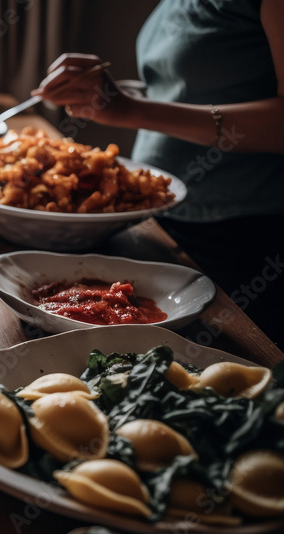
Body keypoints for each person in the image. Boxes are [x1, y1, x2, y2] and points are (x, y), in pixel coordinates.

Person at [33, 0, 284, 346]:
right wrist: (114, 94)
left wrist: (130, 110)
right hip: (157, 223)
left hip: (236, 241)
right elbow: (186, 88)